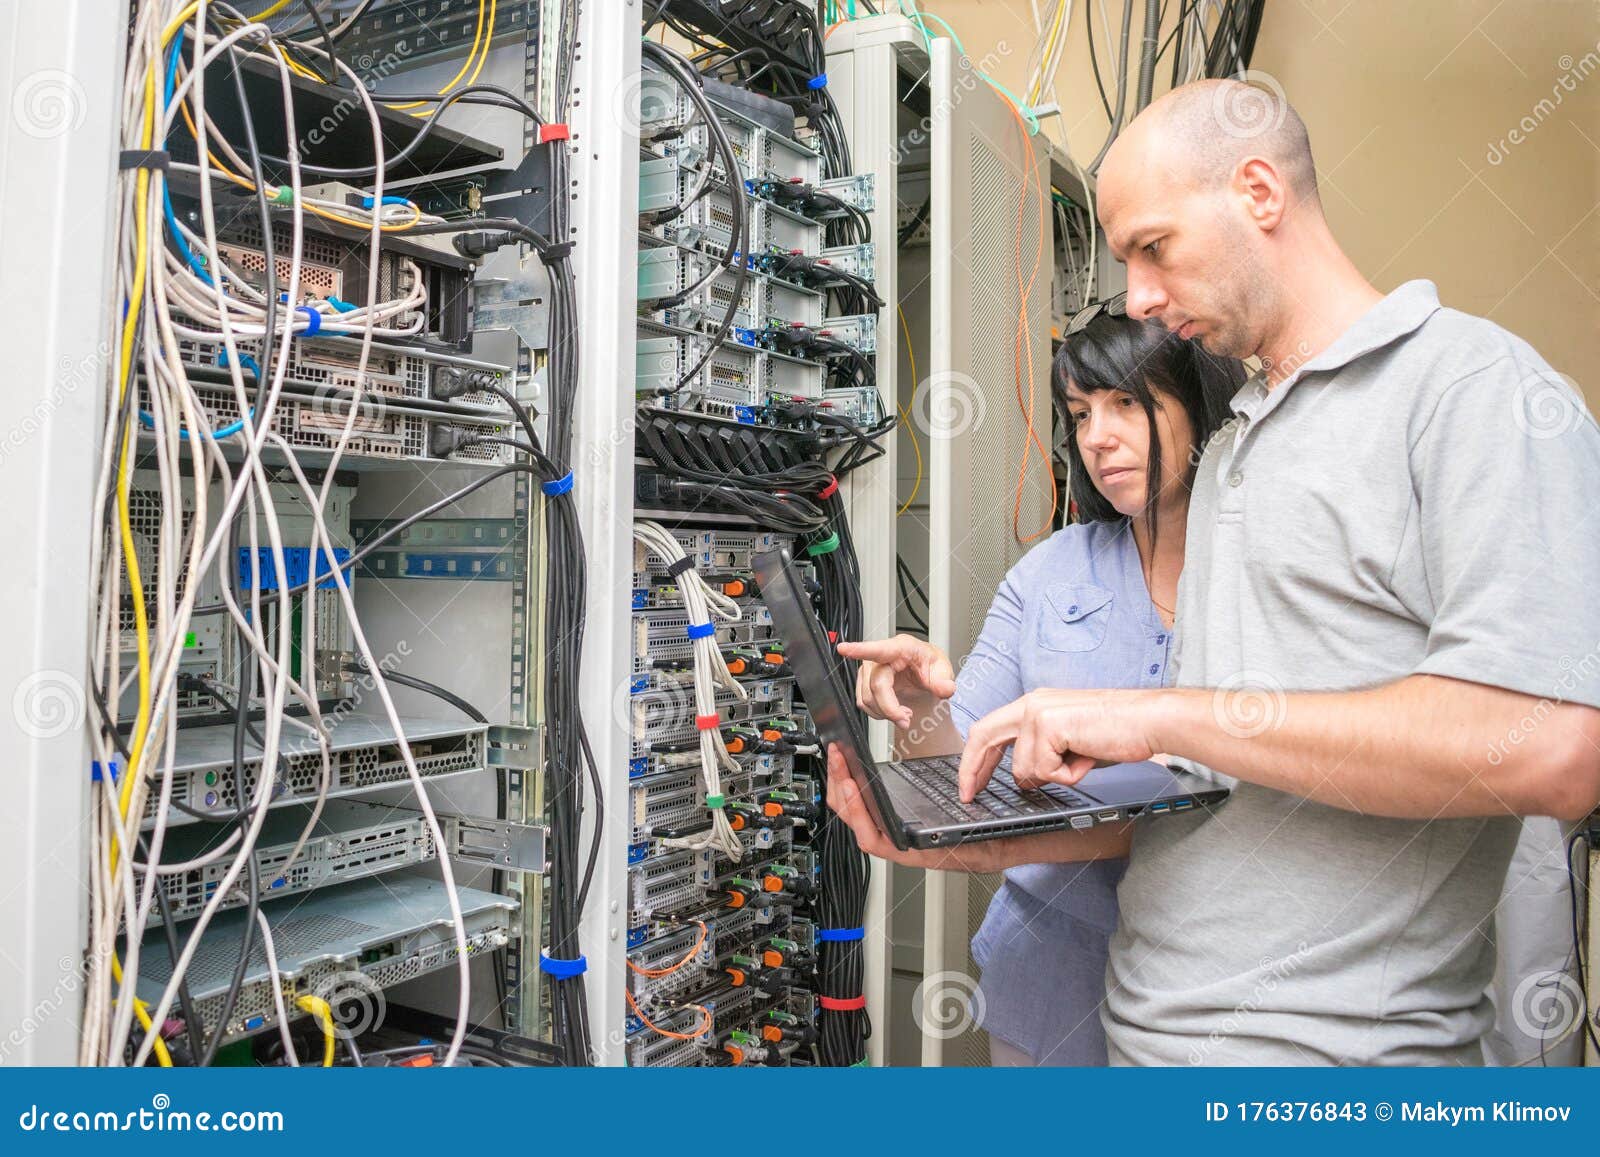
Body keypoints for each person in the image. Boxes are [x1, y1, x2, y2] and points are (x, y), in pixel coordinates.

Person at [829, 77, 1600, 1065]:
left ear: (1258, 194)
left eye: (1154, 247)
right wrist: (943, 836)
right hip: (1141, 1038)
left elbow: (1557, 746)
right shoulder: (1238, 449)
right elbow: (1207, 797)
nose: (1139, 295)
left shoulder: (1471, 394)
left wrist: (1156, 713)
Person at [839, 309, 1241, 1065]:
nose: (1098, 436)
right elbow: (961, 765)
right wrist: (918, 698)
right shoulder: (1053, 571)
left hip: (1211, 987)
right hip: (1048, 972)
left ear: (1200, 408)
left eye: (1127, 402)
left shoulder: (1264, 577)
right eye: (1081, 413)